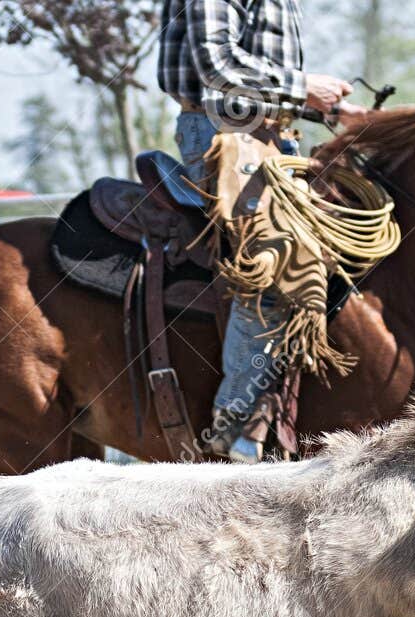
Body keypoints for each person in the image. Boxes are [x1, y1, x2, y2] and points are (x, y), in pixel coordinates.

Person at [157, 1, 364, 461]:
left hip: (264, 132)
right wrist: (304, 86)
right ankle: (234, 432)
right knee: (274, 257)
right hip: (220, 132)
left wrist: (328, 110)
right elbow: (216, 65)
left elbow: (257, 82)